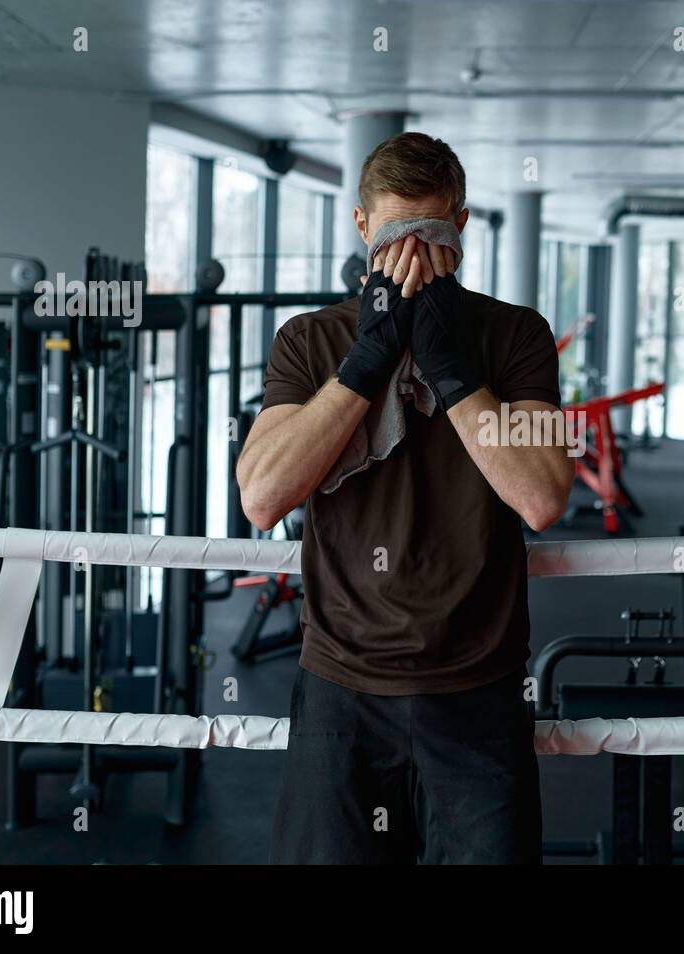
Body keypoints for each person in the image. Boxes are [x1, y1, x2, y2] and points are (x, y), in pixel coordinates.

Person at [236, 131, 574, 864]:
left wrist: (450, 365)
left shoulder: (515, 335)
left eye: (431, 233)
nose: (413, 254)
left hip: (478, 687)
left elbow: (543, 497)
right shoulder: (310, 341)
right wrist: (369, 359)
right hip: (342, 685)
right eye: (396, 236)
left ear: (461, 224)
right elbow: (261, 497)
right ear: (363, 228)